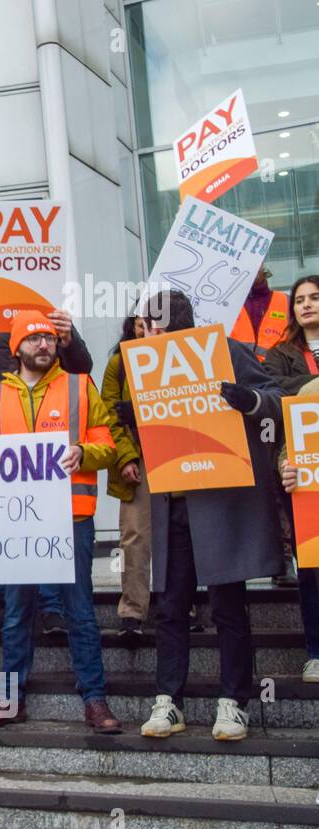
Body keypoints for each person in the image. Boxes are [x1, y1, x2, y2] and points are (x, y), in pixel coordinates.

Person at [0, 312, 122, 733]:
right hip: (18, 526)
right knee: (16, 615)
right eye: (33, 338)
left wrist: (84, 454)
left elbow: (108, 442)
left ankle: (95, 700)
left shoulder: (80, 385)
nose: (43, 344)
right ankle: (11, 701)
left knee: (80, 613)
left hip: (71, 518)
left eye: (49, 338)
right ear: (16, 348)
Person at [138, 291, 284, 742]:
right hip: (172, 504)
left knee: (227, 605)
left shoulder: (226, 352)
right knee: (169, 606)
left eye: (154, 326)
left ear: (175, 326)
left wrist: (250, 401)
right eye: (146, 327)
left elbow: (277, 399)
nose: (148, 334)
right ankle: (169, 700)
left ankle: (235, 701)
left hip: (218, 503)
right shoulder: (145, 367)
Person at [0, 303, 94, 639]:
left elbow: (82, 366)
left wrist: (68, 336)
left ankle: (52, 607)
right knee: (4, 524)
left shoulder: (48, 314)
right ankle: (0, 603)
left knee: (49, 520)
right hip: (1, 427)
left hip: (46, 423)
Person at [264, 275, 319, 683]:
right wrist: (313, 386)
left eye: (315, 298)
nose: (307, 305)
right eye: (300, 300)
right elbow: (269, 389)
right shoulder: (282, 353)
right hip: (302, 471)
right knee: (312, 566)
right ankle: (316, 651)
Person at [102, 313, 150, 639]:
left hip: (176, 459)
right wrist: (126, 457)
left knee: (179, 536)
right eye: (141, 320)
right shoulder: (119, 364)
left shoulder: (186, 353)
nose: (147, 326)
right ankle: (132, 610)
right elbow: (109, 416)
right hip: (137, 460)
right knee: (133, 536)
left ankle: (183, 605)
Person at [230, 264, 290, 361]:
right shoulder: (224, 304)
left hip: (277, 371)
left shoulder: (286, 300)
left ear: (263, 266)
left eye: (257, 262)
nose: (251, 266)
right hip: (237, 370)